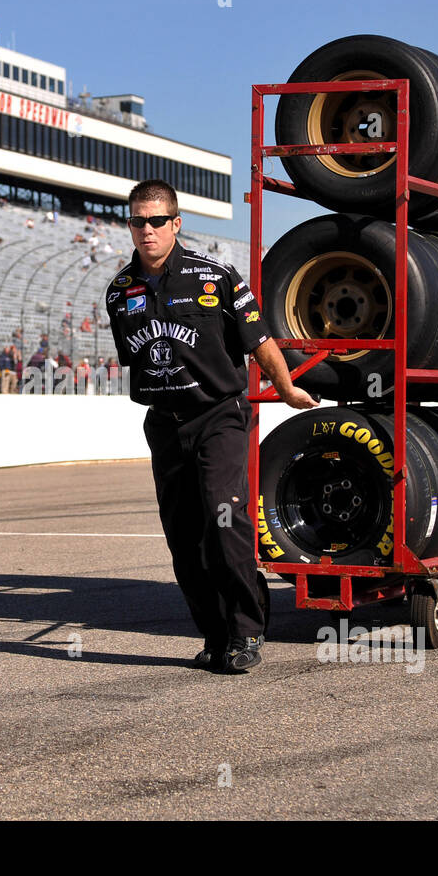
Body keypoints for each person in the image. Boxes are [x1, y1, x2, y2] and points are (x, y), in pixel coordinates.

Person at [105, 180, 318, 673]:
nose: (147, 230)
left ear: (176, 224)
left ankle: (247, 630)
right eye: (138, 221)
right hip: (163, 423)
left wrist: (285, 389)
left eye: (157, 221)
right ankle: (215, 634)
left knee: (225, 519)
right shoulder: (120, 291)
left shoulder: (216, 276)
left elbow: (259, 340)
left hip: (219, 416)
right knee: (183, 536)